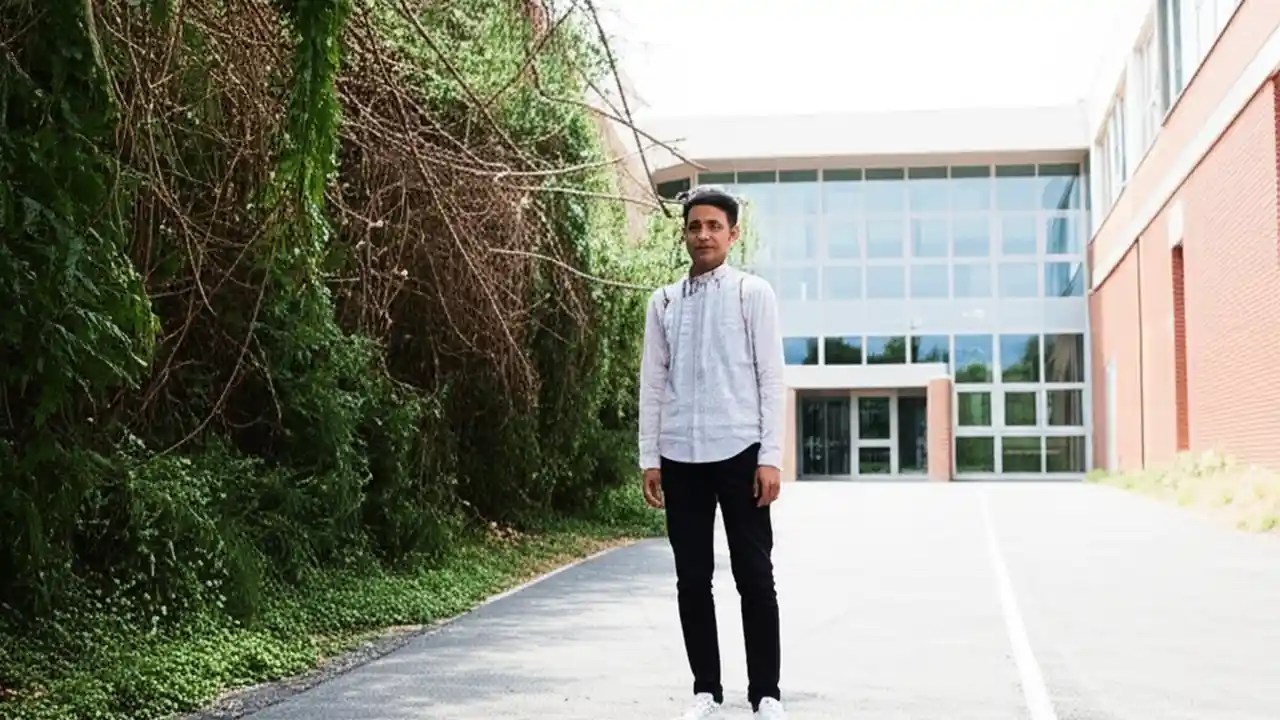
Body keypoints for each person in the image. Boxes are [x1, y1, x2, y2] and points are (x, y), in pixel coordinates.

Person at [638, 185, 787, 720]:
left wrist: (770, 456)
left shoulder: (753, 293)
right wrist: (649, 458)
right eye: (695, 226)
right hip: (680, 456)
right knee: (691, 577)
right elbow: (652, 383)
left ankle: (765, 693)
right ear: (684, 233)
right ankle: (706, 689)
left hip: (741, 453)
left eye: (714, 227)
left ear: (732, 234)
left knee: (754, 574)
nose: (704, 234)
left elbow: (771, 377)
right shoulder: (664, 302)